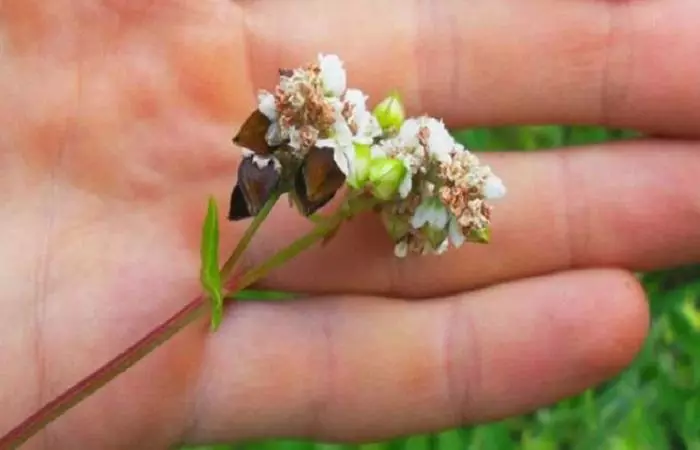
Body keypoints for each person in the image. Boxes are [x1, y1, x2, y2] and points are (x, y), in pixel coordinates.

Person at [1, 1, 697, 448]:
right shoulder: (294, 147)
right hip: (327, 151)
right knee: (261, 197)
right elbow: (273, 166)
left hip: (352, 160)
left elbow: (336, 173)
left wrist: (386, 183)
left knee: (272, 199)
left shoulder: (358, 166)